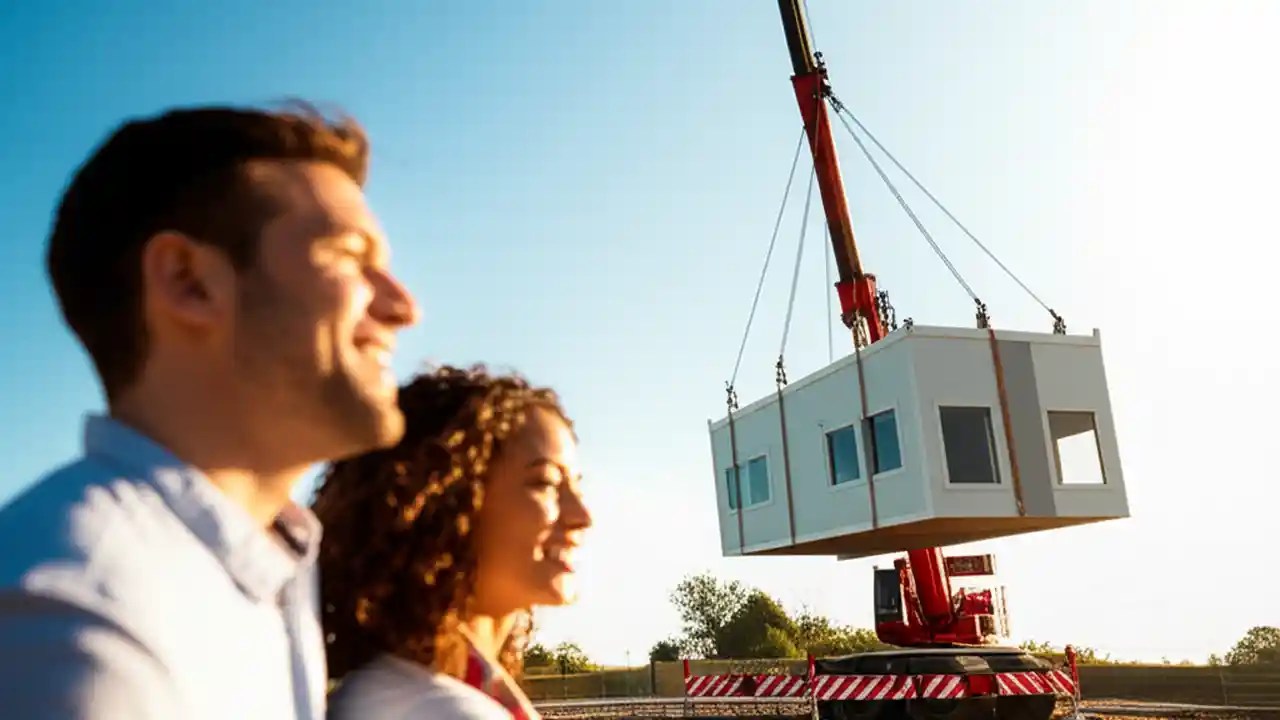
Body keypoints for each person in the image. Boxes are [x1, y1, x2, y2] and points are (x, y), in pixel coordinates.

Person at [0, 103, 419, 719]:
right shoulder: (78, 625)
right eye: (350, 257)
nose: (404, 306)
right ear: (188, 281)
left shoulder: (261, 572)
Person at [313, 364, 593, 720]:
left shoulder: (382, 690)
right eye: (545, 483)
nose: (582, 515)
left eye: (577, 485)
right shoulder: (441, 709)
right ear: (448, 502)